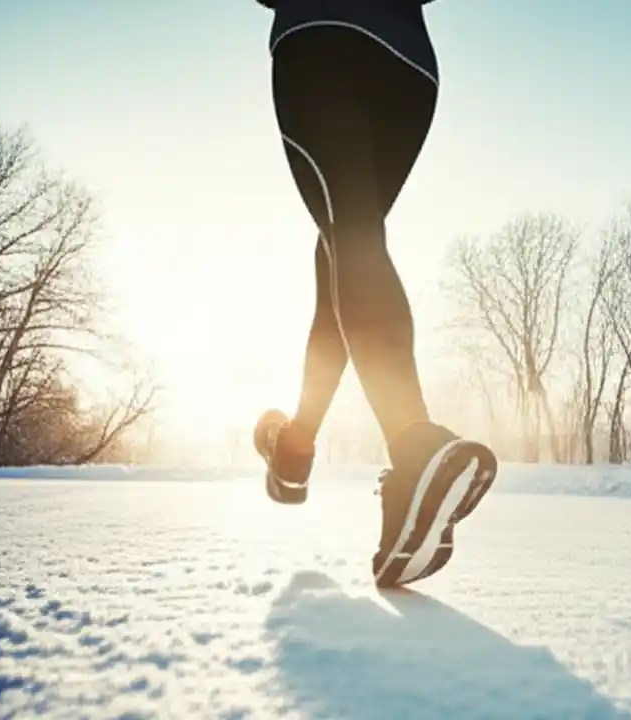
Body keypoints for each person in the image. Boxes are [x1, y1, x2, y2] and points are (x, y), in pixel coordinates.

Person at [250, 0, 497, 588]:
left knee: (350, 236)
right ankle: (295, 447)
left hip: (323, 32)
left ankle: (416, 451)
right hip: (409, 68)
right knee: (345, 241)